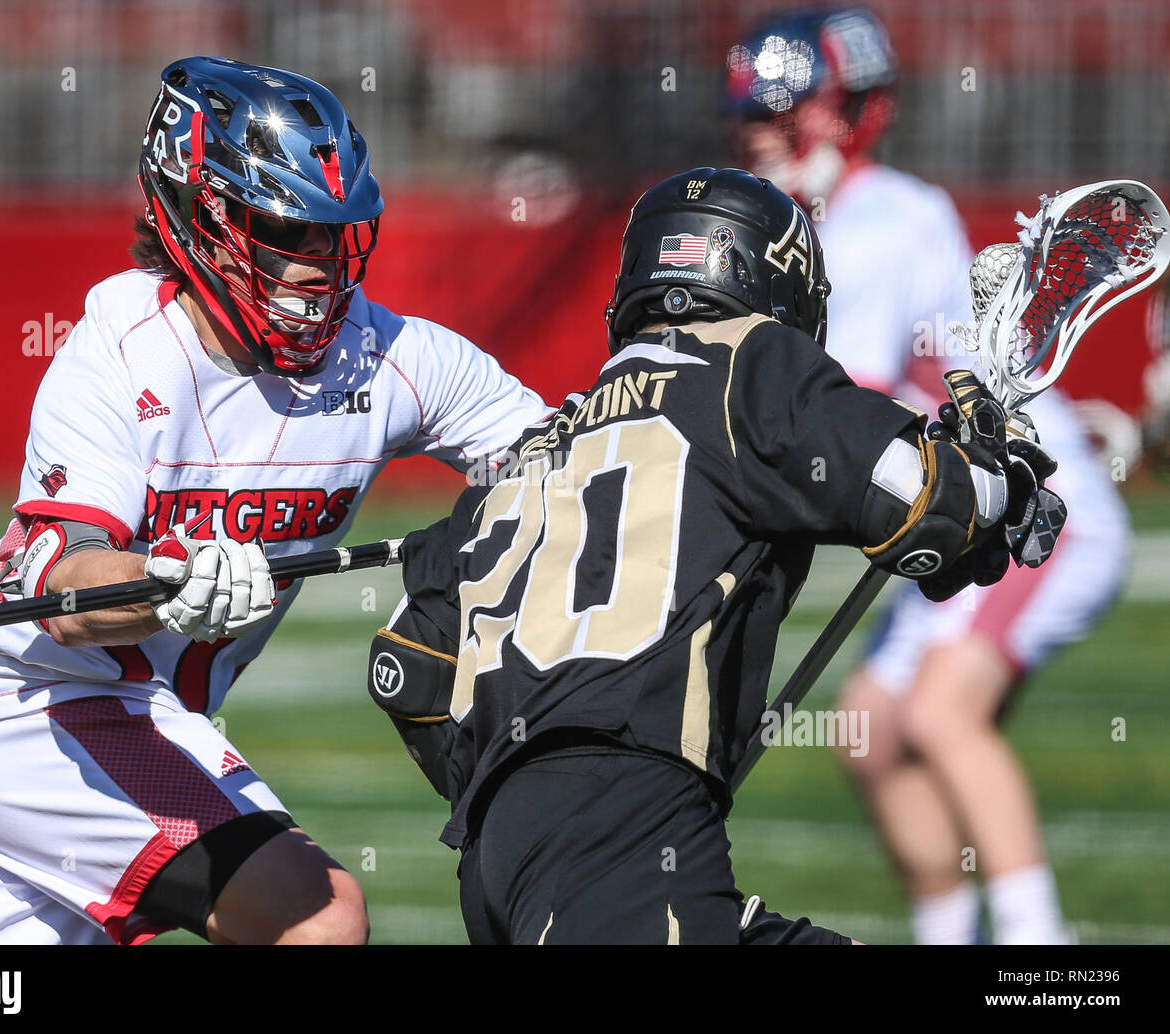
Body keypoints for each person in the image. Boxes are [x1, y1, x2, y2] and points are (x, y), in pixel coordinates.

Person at [0, 56, 549, 946]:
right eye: (284, 231)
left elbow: (557, 458)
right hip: (31, 705)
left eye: (332, 235)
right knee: (318, 919)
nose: (317, 267)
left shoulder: (385, 357)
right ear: (200, 216)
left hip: (141, 715)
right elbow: (66, 593)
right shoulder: (120, 350)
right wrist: (169, 580)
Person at [364, 167, 1065, 944]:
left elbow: (407, 667)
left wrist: (515, 784)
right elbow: (924, 504)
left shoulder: (534, 450)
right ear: (783, 282)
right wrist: (1001, 477)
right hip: (623, 828)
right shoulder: (750, 362)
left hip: (501, 852)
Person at [725, 7, 1130, 944]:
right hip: (952, 498)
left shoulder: (882, 221)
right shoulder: (809, 223)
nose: (762, 142)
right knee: (873, 732)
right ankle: (950, 938)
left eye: (783, 120)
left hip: (1028, 501)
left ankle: (1041, 954)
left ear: (849, 112)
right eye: (752, 123)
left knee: (944, 715)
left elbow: (848, 400)